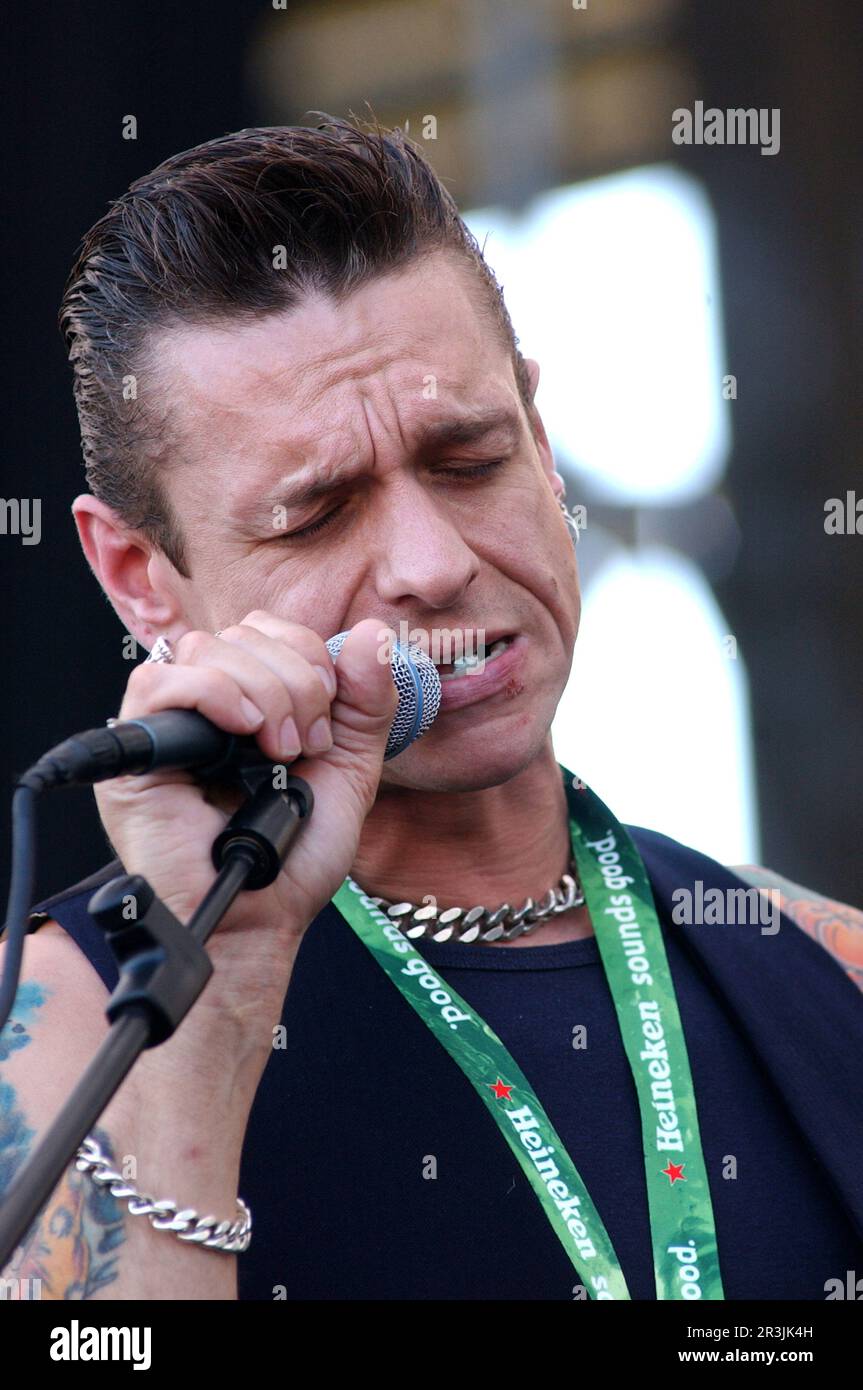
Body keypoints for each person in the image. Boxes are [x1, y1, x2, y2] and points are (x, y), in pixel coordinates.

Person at [2, 115, 862, 1303]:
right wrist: (219, 995)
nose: (429, 560)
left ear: (542, 438)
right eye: (315, 514)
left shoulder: (829, 977)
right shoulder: (50, 1039)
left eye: (468, 460)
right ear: (143, 580)